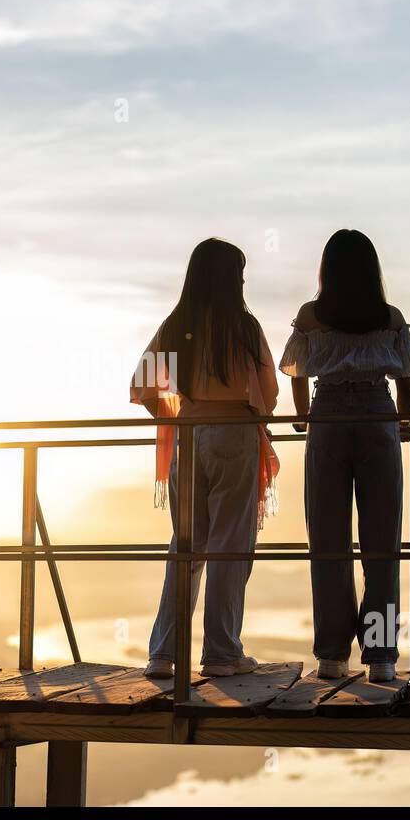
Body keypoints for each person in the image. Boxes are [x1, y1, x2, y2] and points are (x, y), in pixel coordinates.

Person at [279, 230, 410, 683]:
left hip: (328, 421)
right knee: (382, 543)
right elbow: (407, 384)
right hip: (377, 418)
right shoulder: (389, 316)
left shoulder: (310, 316)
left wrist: (304, 417)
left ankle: (331, 655)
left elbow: (297, 374)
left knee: (327, 542)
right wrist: (400, 422)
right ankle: (381, 658)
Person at [130, 238, 279, 679]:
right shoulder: (244, 327)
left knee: (186, 546)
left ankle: (163, 653)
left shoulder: (176, 326)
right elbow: (267, 397)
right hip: (235, 435)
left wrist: (179, 418)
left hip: (189, 435)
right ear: (232, 279)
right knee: (230, 546)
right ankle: (220, 654)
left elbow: (143, 390)